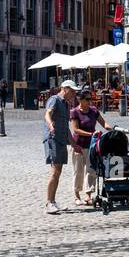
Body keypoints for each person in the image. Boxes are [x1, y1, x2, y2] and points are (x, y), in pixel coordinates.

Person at [43, 79, 77, 215]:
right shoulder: (54, 100)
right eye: (73, 91)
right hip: (53, 139)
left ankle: (53, 201)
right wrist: (50, 124)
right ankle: (49, 203)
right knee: (55, 171)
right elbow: (47, 113)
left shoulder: (66, 104)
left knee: (58, 171)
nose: (74, 93)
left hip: (62, 140)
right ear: (65, 88)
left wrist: (74, 144)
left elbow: (67, 127)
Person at [69, 87, 105, 206]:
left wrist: (112, 129)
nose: (90, 101)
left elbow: (103, 123)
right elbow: (75, 129)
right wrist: (91, 134)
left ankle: (88, 195)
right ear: (80, 99)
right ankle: (76, 196)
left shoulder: (93, 111)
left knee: (91, 170)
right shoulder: (74, 112)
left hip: (91, 146)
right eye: (88, 99)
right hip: (78, 145)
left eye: (91, 98)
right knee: (78, 171)